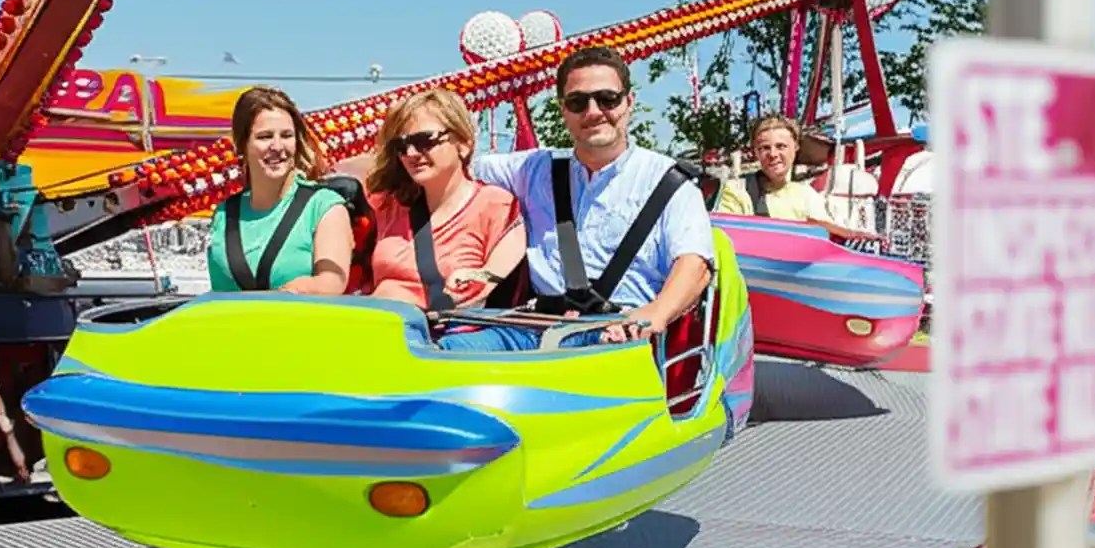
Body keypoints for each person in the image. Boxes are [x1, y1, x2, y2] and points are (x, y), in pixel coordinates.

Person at [436, 45, 716, 352]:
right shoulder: (534, 168)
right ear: (564, 110)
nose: (593, 112)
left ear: (629, 103)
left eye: (607, 99)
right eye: (578, 102)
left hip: (616, 334)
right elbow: (448, 162)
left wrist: (652, 316)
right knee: (440, 352)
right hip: (535, 328)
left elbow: (695, 266)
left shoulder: (670, 182)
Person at [363, 89, 525, 310]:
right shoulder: (387, 206)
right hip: (378, 326)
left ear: (463, 144)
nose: (411, 153)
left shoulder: (495, 204)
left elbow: (490, 282)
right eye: (400, 146)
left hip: (445, 334)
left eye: (425, 141)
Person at [206, 86, 353, 295]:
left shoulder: (323, 206)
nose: (277, 146)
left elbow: (332, 282)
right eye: (265, 137)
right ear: (242, 145)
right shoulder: (224, 213)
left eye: (286, 135)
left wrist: (291, 292)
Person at [716, 115, 870, 240]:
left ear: (795, 148)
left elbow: (826, 234)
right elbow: (725, 237)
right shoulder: (737, 190)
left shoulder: (806, 195)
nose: (773, 154)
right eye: (764, 148)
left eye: (781, 146)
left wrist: (858, 236)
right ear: (755, 152)